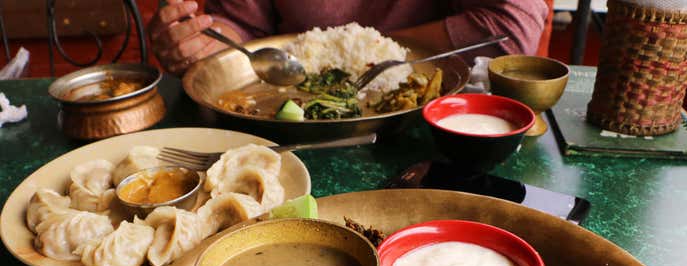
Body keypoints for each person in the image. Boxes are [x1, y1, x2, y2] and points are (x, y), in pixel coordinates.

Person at [149, 0, 549, 76]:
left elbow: (511, 33)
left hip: (434, 140)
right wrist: (197, 40)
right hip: (292, 128)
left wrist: (358, 49)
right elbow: (245, 28)